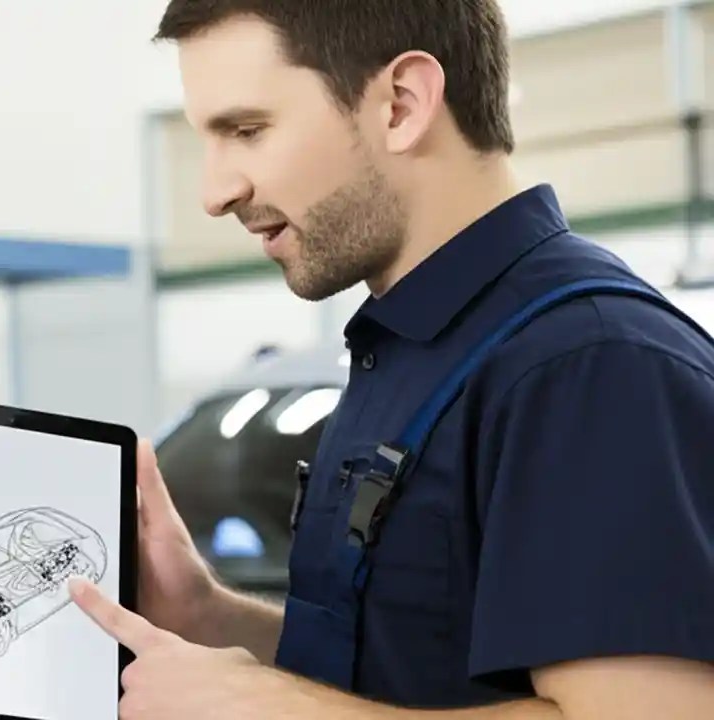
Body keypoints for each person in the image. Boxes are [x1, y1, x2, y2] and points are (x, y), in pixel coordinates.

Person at [70, 1, 714, 718]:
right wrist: (206, 615)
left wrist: (276, 713)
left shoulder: (589, 367)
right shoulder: (413, 349)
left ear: (401, 106)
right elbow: (406, 668)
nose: (216, 192)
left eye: (248, 131)